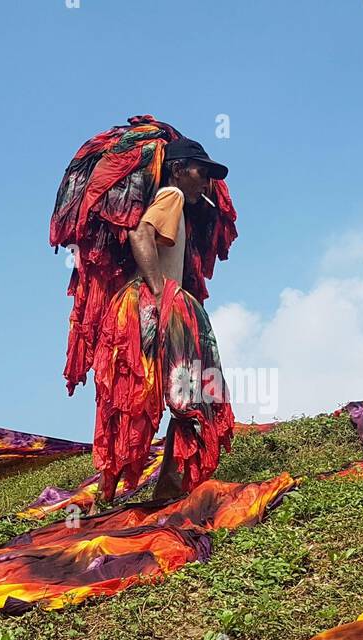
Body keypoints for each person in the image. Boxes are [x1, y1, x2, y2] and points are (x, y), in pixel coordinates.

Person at [126, 137, 229, 499]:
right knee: (190, 392)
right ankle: (173, 488)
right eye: (202, 173)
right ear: (178, 169)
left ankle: (171, 487)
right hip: (161, 306)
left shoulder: (179, 204)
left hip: (163, 304)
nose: (206, 182)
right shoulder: (171, 196)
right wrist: (159, 292)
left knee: (184, 392)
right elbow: (140, 233)